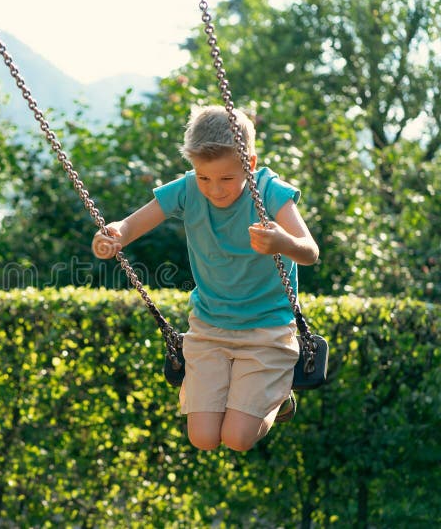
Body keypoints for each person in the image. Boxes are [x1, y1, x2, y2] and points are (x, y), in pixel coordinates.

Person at [92, 106, 319, 452]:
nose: (214, 190)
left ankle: (279, 395)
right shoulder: (187, 188)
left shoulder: (270, 192)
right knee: (203, 438)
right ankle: (253, 394)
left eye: (227, 179)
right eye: (204, 178)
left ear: (250, 164)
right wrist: (114, 234)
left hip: (267, 328)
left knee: (237, 438)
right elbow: (131, 225)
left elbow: (309, 251)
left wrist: (283, 242)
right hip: (210, 327)